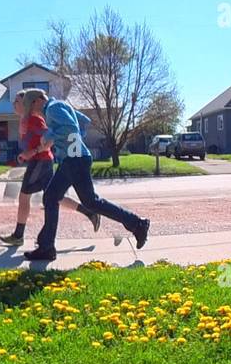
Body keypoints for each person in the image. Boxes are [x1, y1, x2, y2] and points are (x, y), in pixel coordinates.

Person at [22, 90, 152, 264]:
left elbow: (71, 127)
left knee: (57, 197)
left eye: (33, 108)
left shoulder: (52, 108)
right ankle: (137, 224)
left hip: (74, 159)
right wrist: (72, 142)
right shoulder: (60, 105)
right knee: (84, 200)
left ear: (38, 100)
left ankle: (46, 247)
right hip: (75, 157)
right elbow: (84, 121)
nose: (35, 113)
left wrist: (49, 136)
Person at [0, 87, 61, 248]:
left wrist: (34, 151)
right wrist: (24, 154)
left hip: (40, 161)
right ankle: (89, 211)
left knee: (24, 196)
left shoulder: (34, 119)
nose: (13, 104)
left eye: (17, 101)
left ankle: (18, 236)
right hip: (38, 161)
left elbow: (50, 136)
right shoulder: (25, 120)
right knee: (53, 195)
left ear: (26, 103)